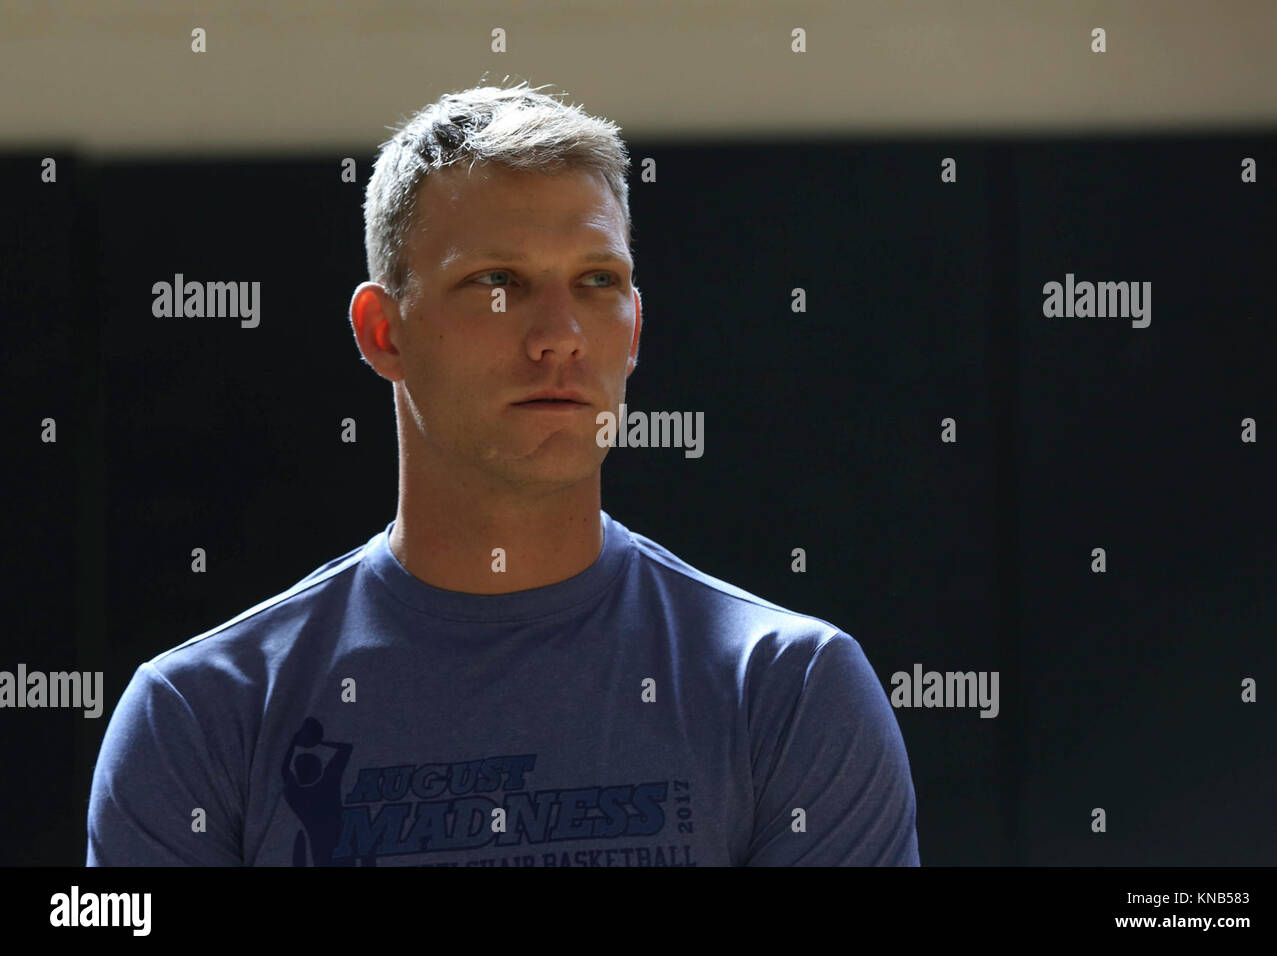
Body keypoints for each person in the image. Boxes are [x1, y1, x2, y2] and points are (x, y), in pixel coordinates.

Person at [86, 81, 920, 867]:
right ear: (384, 333)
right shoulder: (198, 717)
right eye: (498, 282)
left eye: (598, 282)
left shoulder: (787, 690)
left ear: (632, 334)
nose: (559, 335)